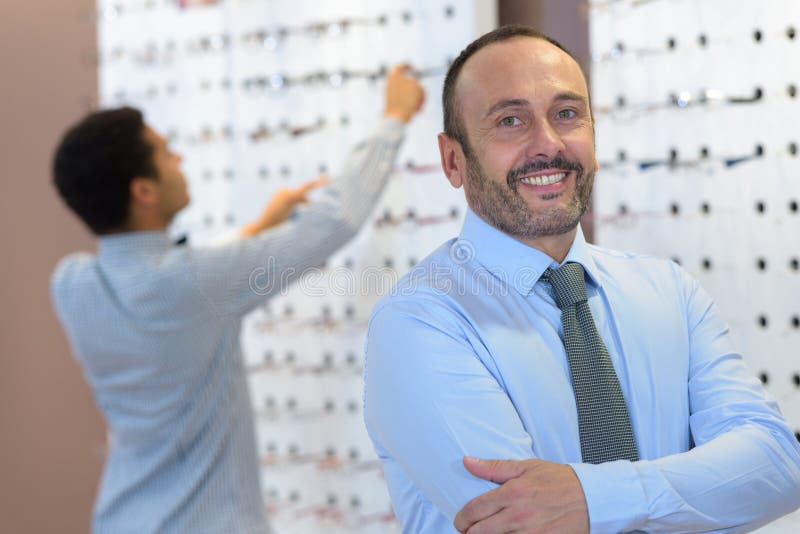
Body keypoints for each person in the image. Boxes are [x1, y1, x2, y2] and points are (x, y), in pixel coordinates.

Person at [363, 26, 800, 534]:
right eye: (510, 120)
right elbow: (518, 523)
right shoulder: (419, 323)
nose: (548, 144)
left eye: (567, 114)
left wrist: (591, 498)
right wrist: (693, 491)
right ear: (452, 160)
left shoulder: (668, 292)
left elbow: (777, 465)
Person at [50, 65, 424, 533]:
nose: (179, 159)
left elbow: (183, 288)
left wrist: (258, 229)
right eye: (165, 153)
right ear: (143, 191)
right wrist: (394, 118)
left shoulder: (70, 282)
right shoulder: (192, 284)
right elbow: (332, 223)